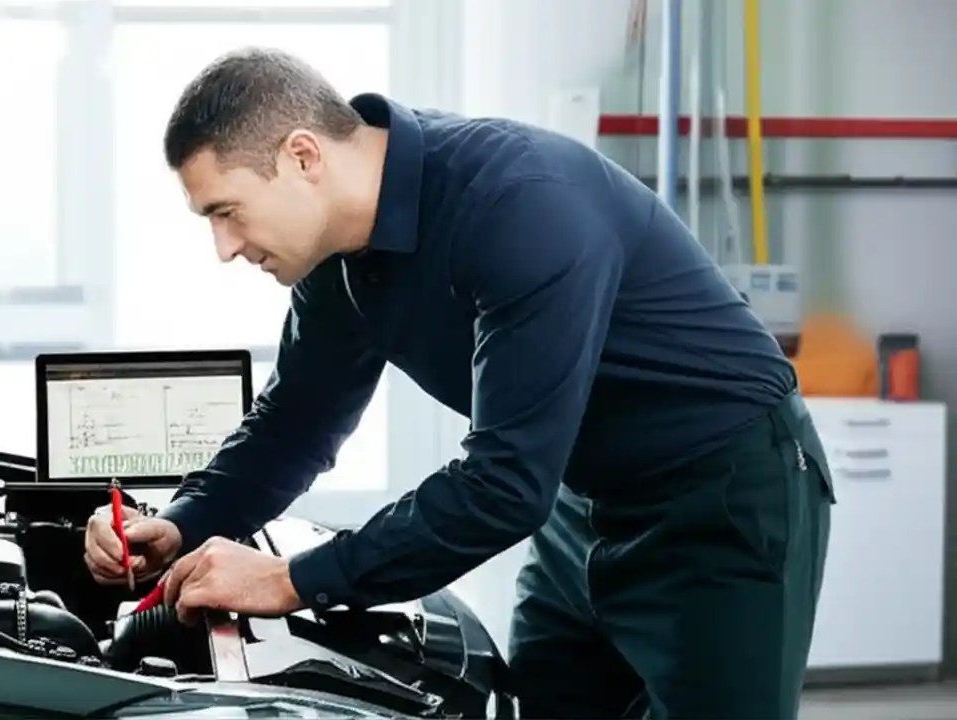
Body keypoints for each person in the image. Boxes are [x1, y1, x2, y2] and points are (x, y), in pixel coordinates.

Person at [84, 47, 834, 719]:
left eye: (227, 212)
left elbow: (504, 484)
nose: (223, 248)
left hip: (725, 492)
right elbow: (295, 424)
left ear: (303, 156)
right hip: (584, 500)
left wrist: (290, 579)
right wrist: (186, 521)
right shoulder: (336, 260)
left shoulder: (518, 203)